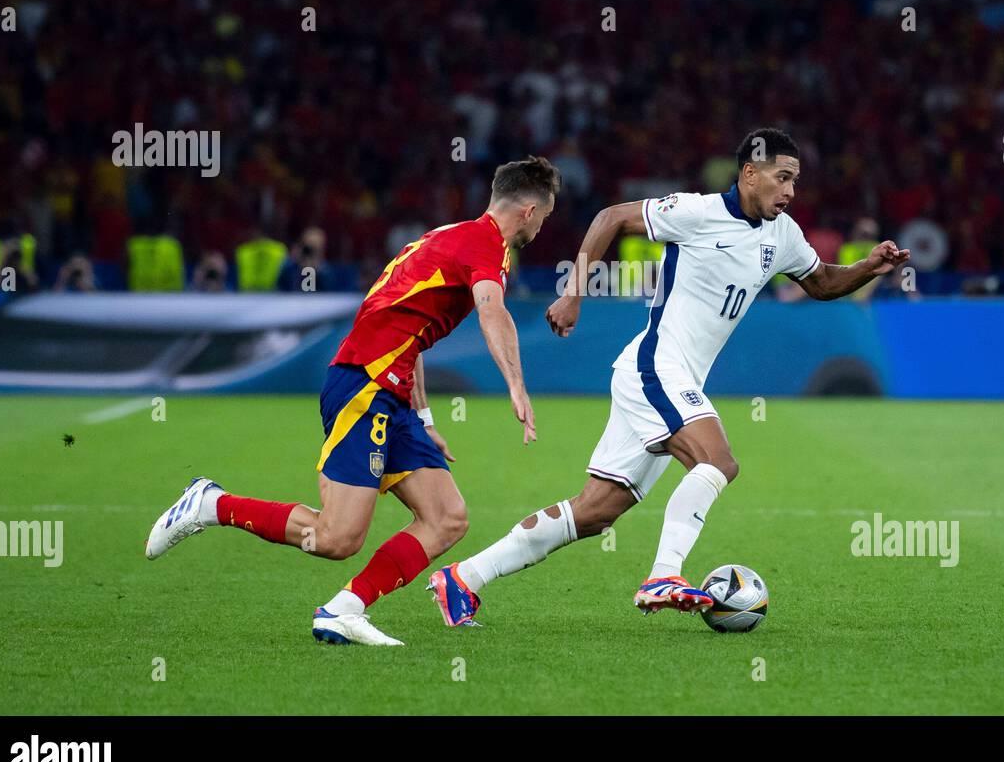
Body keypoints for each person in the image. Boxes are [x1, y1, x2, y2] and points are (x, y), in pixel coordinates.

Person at [429, 129, 908, 626]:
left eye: (795, 181)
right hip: (656, 366)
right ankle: (663, 574)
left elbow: (824, 282)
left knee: (596, 510)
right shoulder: (697, 212)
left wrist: (868, 268)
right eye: (782, 178)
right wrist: (574, 293)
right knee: (719, 461)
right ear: (749, 174)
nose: (790, 191)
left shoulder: (782, 234)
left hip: (673, 378)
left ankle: (463, 578)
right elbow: (611, 217)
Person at [143, 157, 561, 646]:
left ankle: (344, 610)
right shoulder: (484, 246)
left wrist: (423, 417)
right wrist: (516, 384)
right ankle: (213, 504)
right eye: (546, 217)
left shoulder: (448, 236)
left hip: (393, 393)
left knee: (446, 518)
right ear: (530, 211)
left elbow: (410, 331)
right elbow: (494, 312)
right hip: (363, 385)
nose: (543, 225)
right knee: (337, 538)